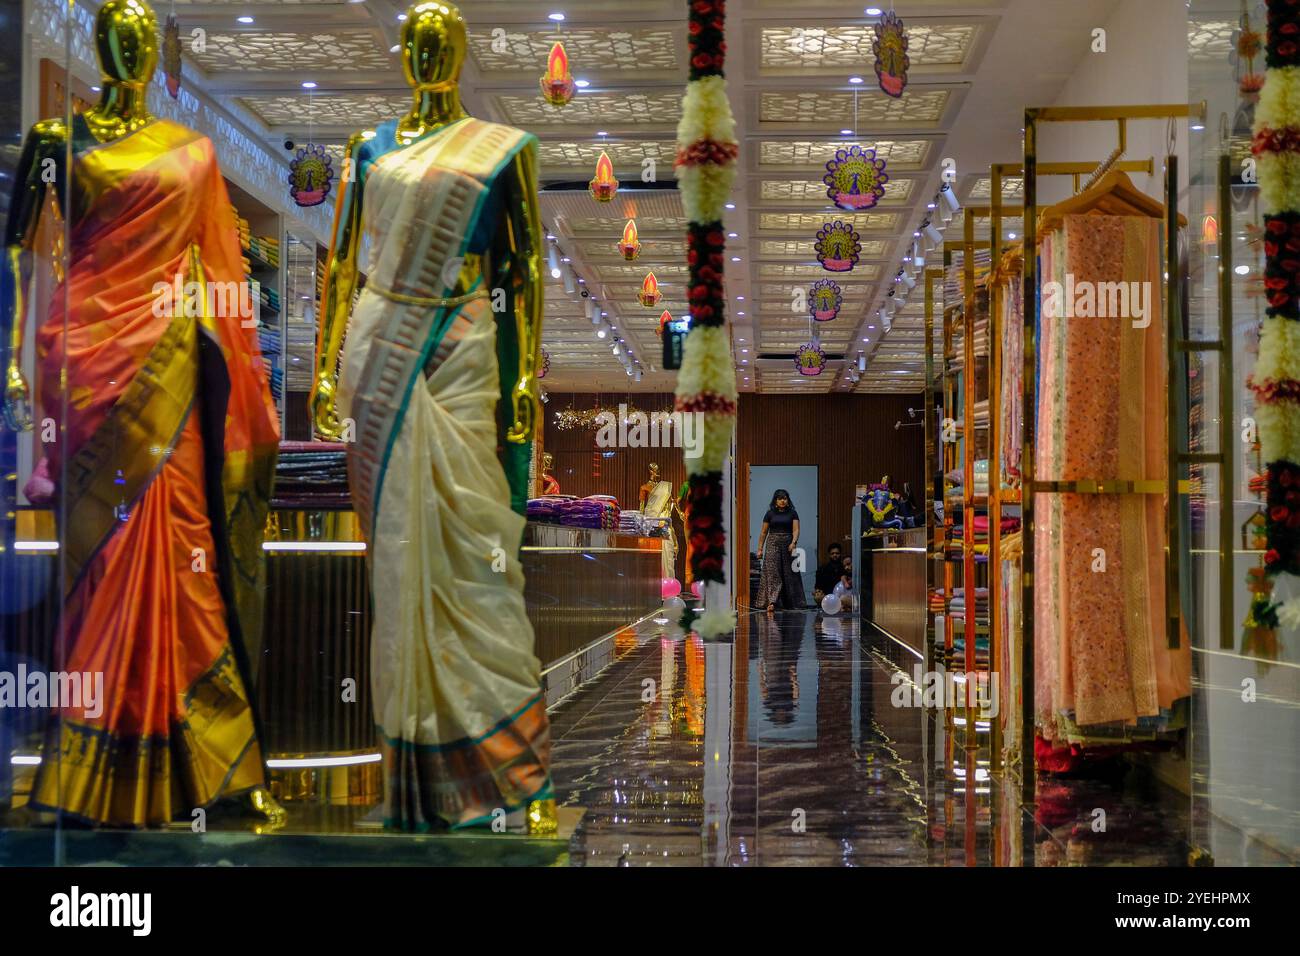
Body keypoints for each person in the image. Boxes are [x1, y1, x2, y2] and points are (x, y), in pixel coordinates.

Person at [755, 489, 807, 612]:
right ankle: (772, 602)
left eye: (784, 498)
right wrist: (760, 549)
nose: (782, 501)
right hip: (772, 543)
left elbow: (796, 530)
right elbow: (763, 533)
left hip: (788, 543)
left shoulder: (793, 513)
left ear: (788, 500)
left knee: (790, 573)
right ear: (775, 501)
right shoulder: (770, 514)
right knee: (773, 573)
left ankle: (791, 602)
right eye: (779, 498)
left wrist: (794, 542)